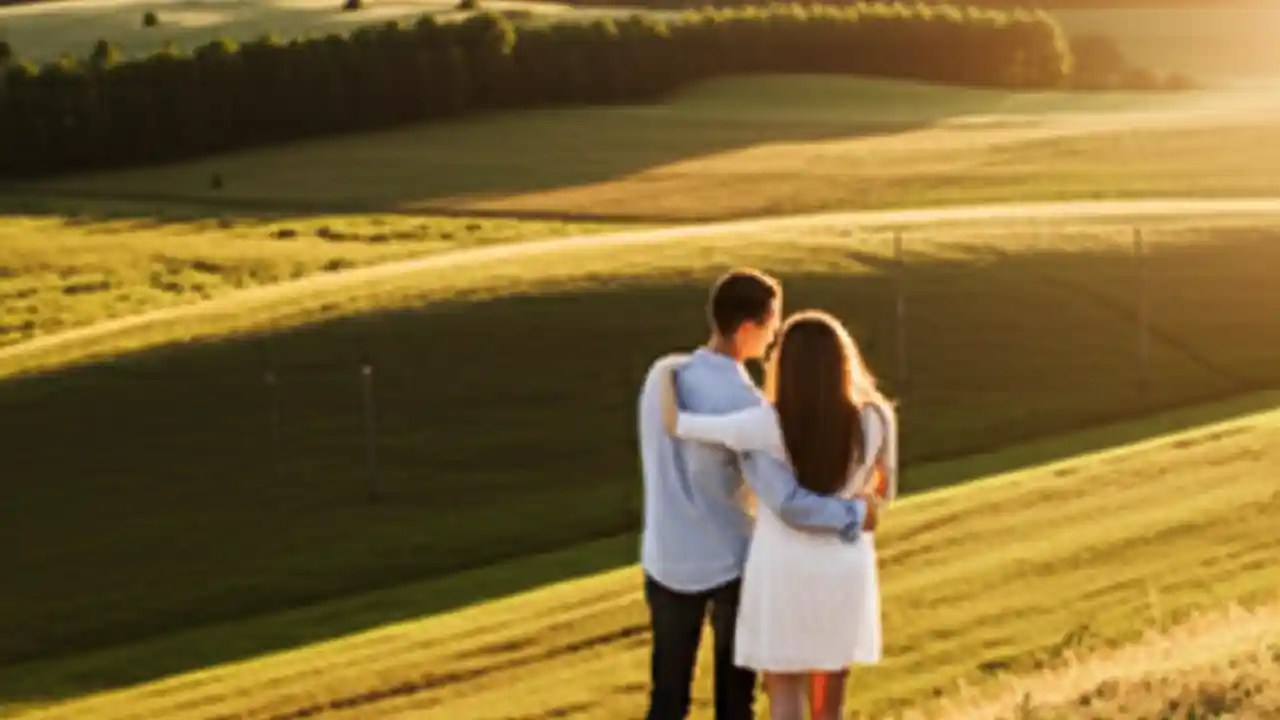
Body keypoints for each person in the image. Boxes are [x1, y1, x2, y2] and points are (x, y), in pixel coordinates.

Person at [637, 269, 876, 720]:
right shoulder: (747, 405)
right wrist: (852, 515)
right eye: (773, 325)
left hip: (664, 559)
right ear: (749, 327)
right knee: (735, 704)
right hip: (729, 565)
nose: (773, 340)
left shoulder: (662, 376)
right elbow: (784, 498)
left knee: (667, 699)